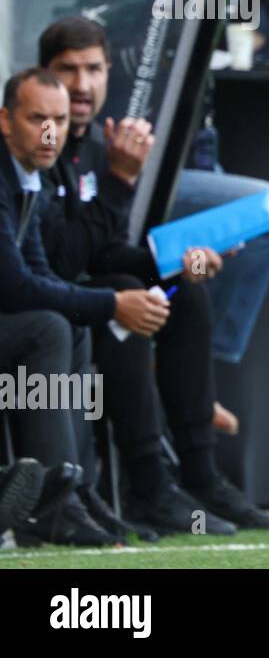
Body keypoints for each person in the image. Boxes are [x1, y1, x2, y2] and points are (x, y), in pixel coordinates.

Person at [39, 16, 269, 535]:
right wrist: (120, 182)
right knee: (128, 297)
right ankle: (148, 486)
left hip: (88, 292)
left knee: (180, 294)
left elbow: (106, 251)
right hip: (48, 303)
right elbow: (62, 262)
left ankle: (201, 477)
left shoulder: (96, 147)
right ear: (45, 74)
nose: (82, 86)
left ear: (110, 73)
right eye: (67, 70)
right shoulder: (42, 141)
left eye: (93, 69)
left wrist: (174, 264)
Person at [0, 68, 155, 546]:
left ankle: (76, 490)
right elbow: (15, 288)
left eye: (60, 120)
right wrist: (112, 302)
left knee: (73, 323)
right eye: (37, 118)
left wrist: (102, 305)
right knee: (48, 326)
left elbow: (42, 273)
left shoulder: (32, 182)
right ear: (5, 121)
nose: (50, 132)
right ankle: (54, 506)